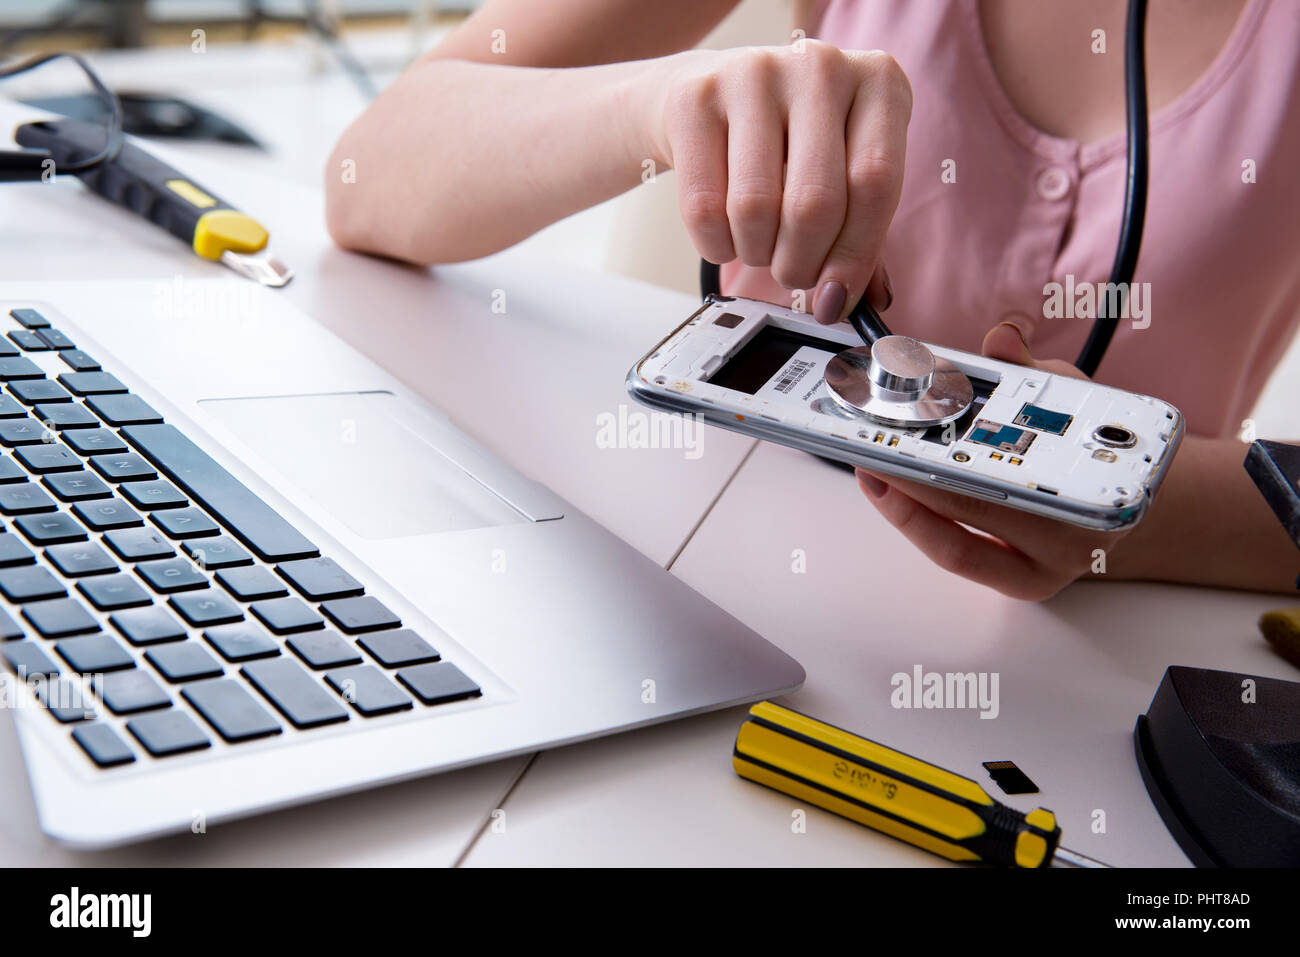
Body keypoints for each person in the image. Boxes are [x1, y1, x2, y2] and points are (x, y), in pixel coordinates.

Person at [326, 0, 1300, 599]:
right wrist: (657, 107)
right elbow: (368, 178)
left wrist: (1137, 517)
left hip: (1109, 682)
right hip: (681, 575)